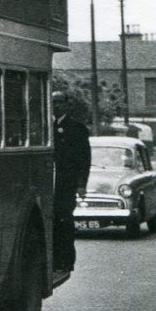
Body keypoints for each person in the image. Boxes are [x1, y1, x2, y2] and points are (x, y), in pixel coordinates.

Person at [51, 91, 91, 273]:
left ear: (67, 105)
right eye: (53, 102)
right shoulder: (46, 127)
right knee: (52, 222)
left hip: (66, 184)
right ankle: (54, 260)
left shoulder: (77, 128)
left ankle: (66, 260)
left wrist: (82, 184)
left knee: (64, 220)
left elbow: (84, 159)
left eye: (59, 102)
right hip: (50, 184)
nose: (56, 106)